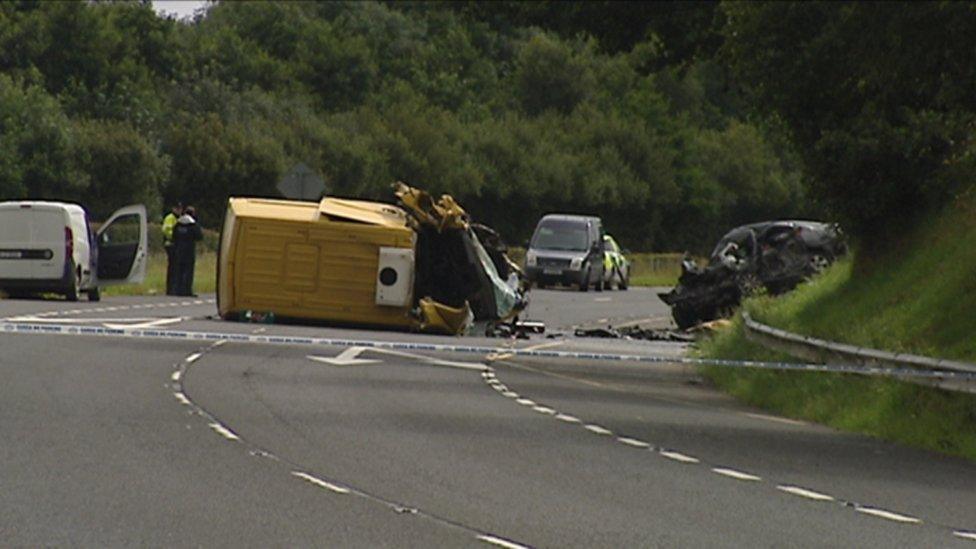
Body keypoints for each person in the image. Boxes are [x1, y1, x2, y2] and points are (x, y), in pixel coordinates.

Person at [172, 205, 203, 297]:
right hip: (189, 250)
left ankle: (177, 290)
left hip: (179, 250)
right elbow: (199, 236)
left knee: (179, 270)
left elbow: (174, 236)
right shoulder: (193, 224)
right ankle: (187, 290)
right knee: (188, 271)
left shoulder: (178, 224)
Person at [161, 203, 182, 295]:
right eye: (177, 209)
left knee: (176, 267)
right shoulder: (170, 218)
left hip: (177, 245)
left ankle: (175, 288)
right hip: (170, 244)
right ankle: (170, 289)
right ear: (173, 209)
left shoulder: (179, 218)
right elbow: (166, 230)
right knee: (172, 267)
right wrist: (174, 236)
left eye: (180, 209)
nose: (179, 210)